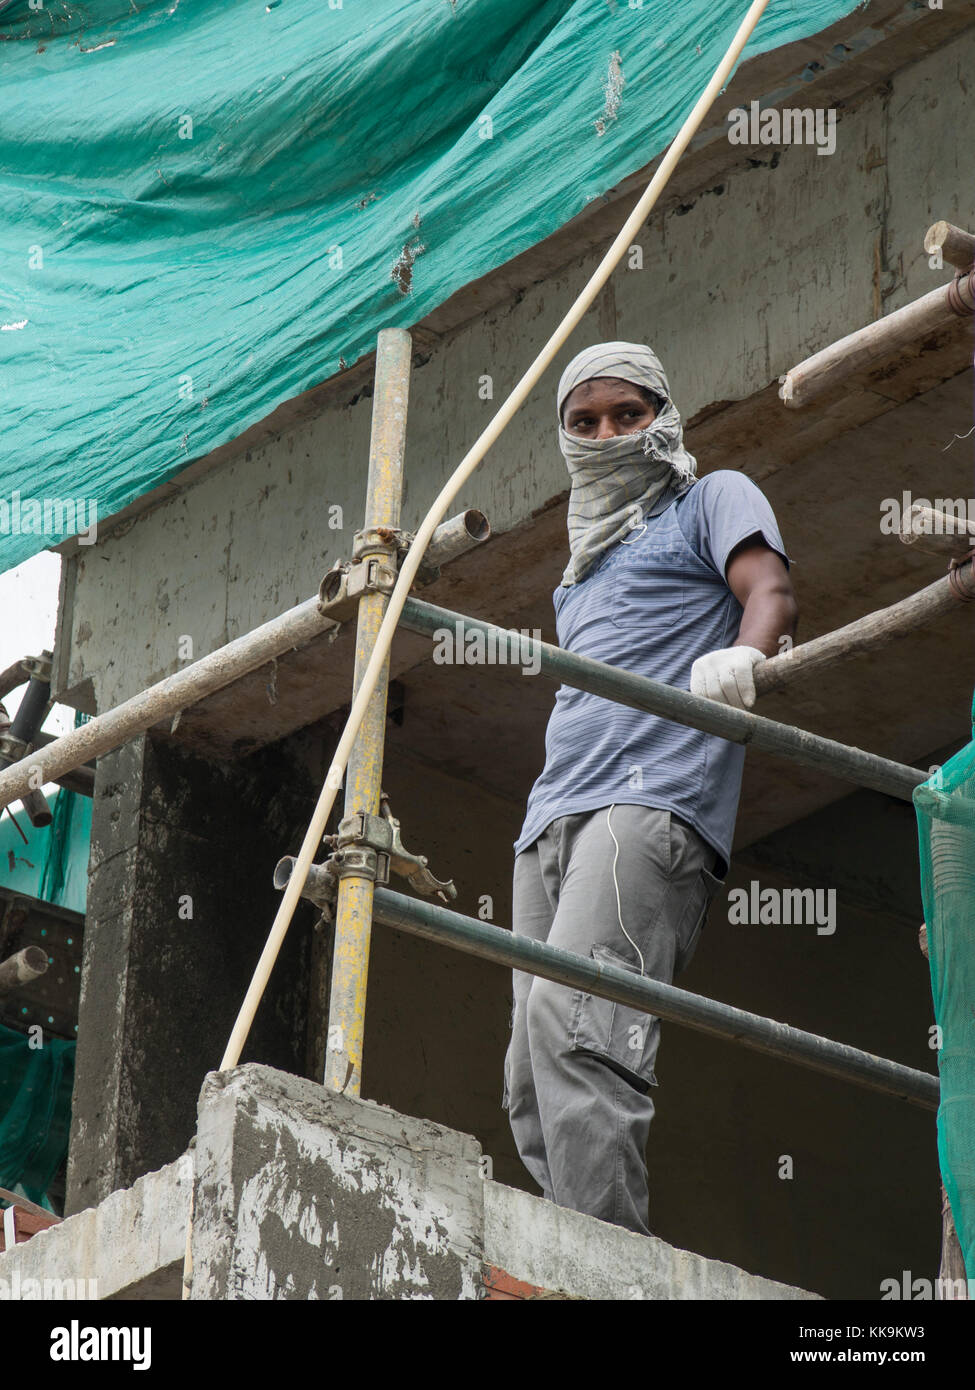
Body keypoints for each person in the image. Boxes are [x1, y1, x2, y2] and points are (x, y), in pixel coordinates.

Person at [503, 341, 798, 1236]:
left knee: (577, 1017)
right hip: (553, 816)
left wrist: (747, 650)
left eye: (627, 415)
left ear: (662, 416)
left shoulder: (712, 497)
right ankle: (572, 1249)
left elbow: (772, 590)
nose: (608, 434)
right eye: (584, 422)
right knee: (526, 1074)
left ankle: (607, 1269)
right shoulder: (581, 565)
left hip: (654, 798)